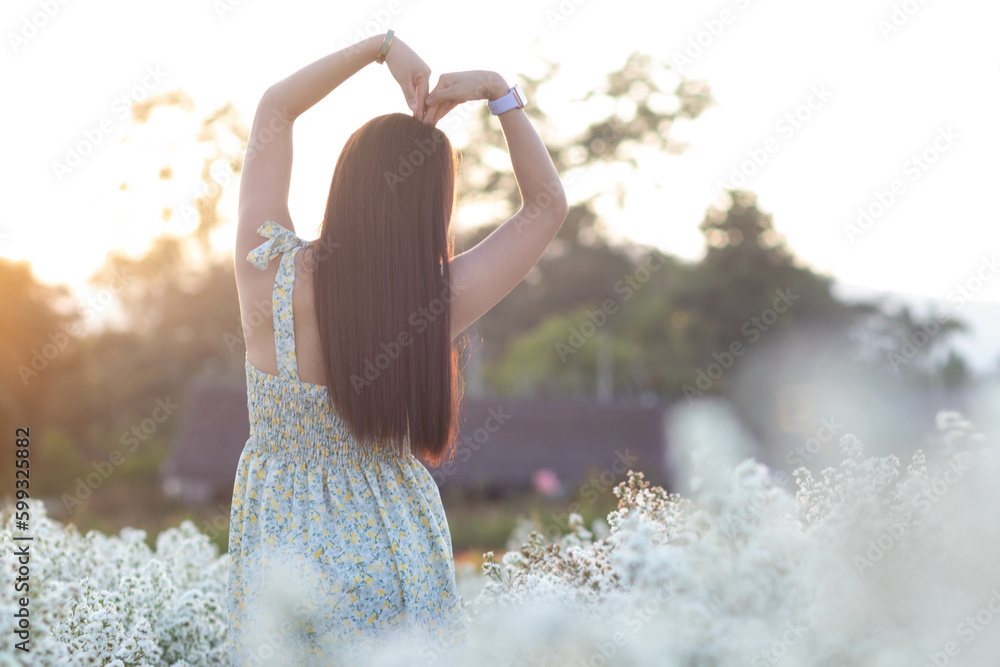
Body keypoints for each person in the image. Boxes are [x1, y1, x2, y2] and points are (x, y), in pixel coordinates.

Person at [227, 29, 568, 664]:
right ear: (429, 208)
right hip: (396, 544)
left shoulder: (266, 269)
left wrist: (380, 48)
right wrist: (499, 93)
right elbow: (546, 207)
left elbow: (275, 108)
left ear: (345, 181)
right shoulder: (434, 303)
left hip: (285, 558)